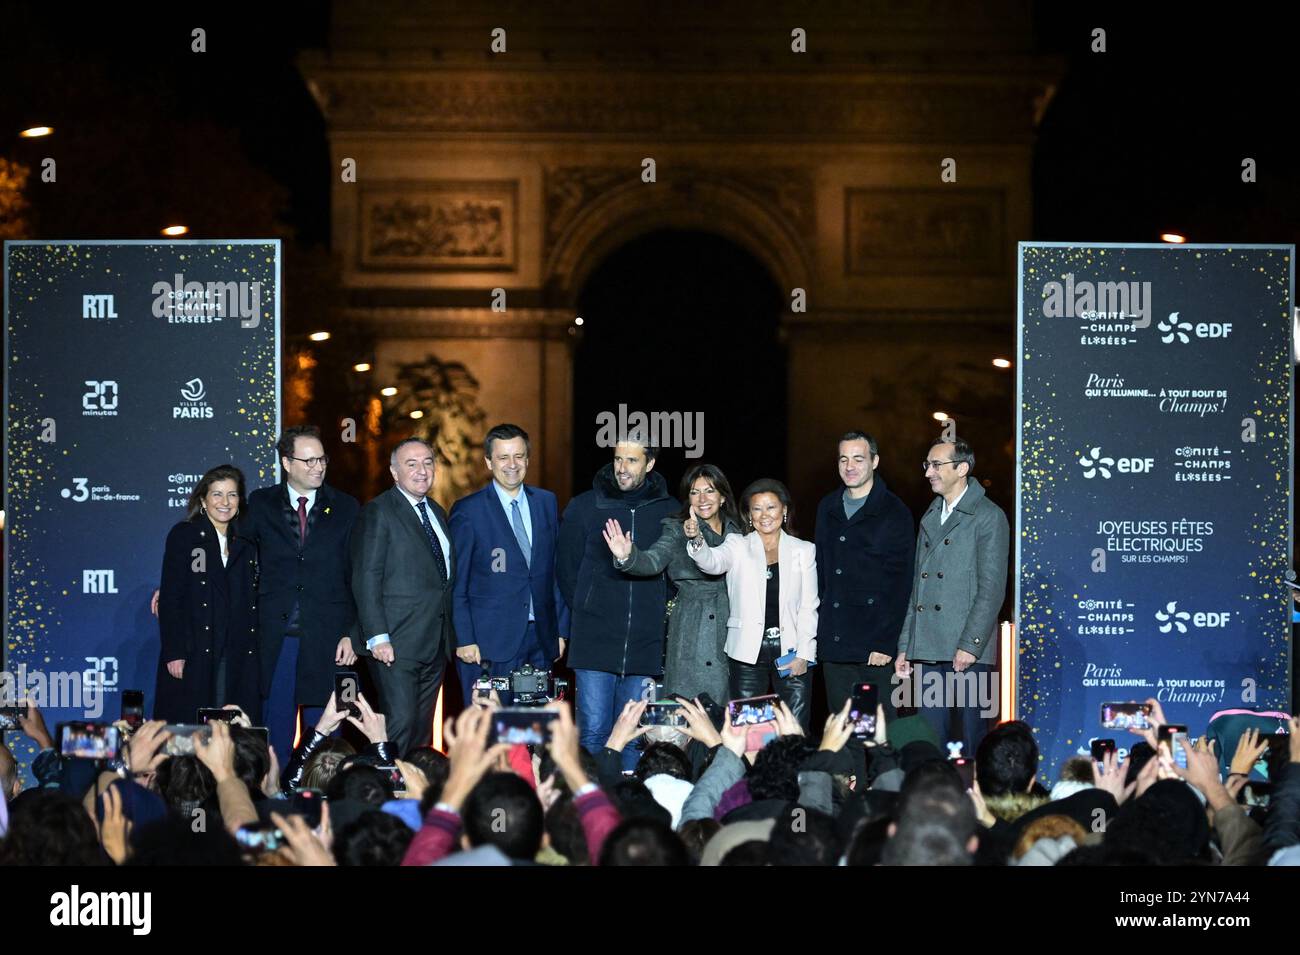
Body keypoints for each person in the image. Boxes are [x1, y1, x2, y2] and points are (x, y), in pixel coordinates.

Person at [243, 425, 362, 762]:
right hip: (276, 637)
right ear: (286, 463)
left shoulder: (346, 507)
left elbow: (360, 575)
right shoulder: (261, 503)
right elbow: (234, 556)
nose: (318, 467)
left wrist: (353, 634)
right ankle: (273, 797)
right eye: (308, 461)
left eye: (322, 459)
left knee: (326, 728)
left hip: (329, 639)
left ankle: (320, 800)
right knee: (274, 725)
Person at [556, 440, 677, 770]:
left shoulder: (669, 511)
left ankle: (626, 810)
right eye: (618, 459)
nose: (622, 467)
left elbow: (675, 576)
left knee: (635, 736)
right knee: (594, 733)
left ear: (649, 464)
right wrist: (586, 608)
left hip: (644, 644)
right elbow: (565, 570)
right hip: (594, 641)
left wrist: (655, 615)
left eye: (632, 461)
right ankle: (593, 808)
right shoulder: (584, 507)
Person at [895, 435, 1009, 756]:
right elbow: (918, 588)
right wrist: (906, 646)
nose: (928, 472)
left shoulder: (988, 516)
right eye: (927, 465)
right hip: (929, 649)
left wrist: (970, 645)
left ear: (962, 468)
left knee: (968, 744)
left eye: (936, 465)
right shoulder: (930, 515)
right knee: (931, 743)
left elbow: (992, 588)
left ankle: (973, 804)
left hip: (965, 653)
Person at [603, 463, 743, 703]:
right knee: (685, 710)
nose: (702, 499)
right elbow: (653, 560)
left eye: (709, 490)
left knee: (726, 714)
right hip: (691, 624)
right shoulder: (677, 528)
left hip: (730, 622)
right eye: (694, 492)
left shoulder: (737, 529)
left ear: (722, 496)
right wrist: (627, 555)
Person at [449, 423, 567, 706]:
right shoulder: (468, 512)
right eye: (503, 457)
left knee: (534, 732)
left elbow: (556, 572)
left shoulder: (546, 503)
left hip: (540, 640)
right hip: (489, 645)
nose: (512, 465)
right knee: (489, 734)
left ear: (527, 459)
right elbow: (457, 582)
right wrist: (464, 638)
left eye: (519, 456)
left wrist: (561, 631)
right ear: (489, 462)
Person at [686, 479, 818, 729]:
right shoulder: (737, 544)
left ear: (784, 510)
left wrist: (804, 654)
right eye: (757, 509)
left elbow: (809, 606)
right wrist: (696, 539)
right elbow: (712, 562)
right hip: (747, 652)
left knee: (795, 728)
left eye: (771, 507)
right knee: (746, 729)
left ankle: (794, 769)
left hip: (791, 652)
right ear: (749, 514)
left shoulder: (804, 550)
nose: (764, 515)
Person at [351, 438, 456, 755]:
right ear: (394, 472)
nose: (422, 470)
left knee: (421, 732)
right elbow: (366, 577)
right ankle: (383, 796)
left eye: (427, 462)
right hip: (395, 644)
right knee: (399, 725)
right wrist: (377, 636)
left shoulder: (436, 511)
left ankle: (413, 795)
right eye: (412, 464)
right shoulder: (379, 512)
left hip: (435, 643)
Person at [814, 431, 915, 717]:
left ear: (875, 461)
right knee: (843, 732)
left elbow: (901, 584)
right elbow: (821, 574)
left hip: (874, 647)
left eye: (858, 458)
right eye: (843, 459)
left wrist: (884, 642)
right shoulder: (827, 507)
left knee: (877, 733)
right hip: (835, 643)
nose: (850, 466)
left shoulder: (895, 512)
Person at [153, 465, 262, 724]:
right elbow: (171, 597)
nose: (225, 502)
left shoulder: (246, 542)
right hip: (194, 650)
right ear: (203, 499)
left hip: (233, 650)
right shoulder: (185, 536)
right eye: (217, 494)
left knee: (227, 722)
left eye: (232, 495)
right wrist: (174, 651)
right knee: (191, 726)